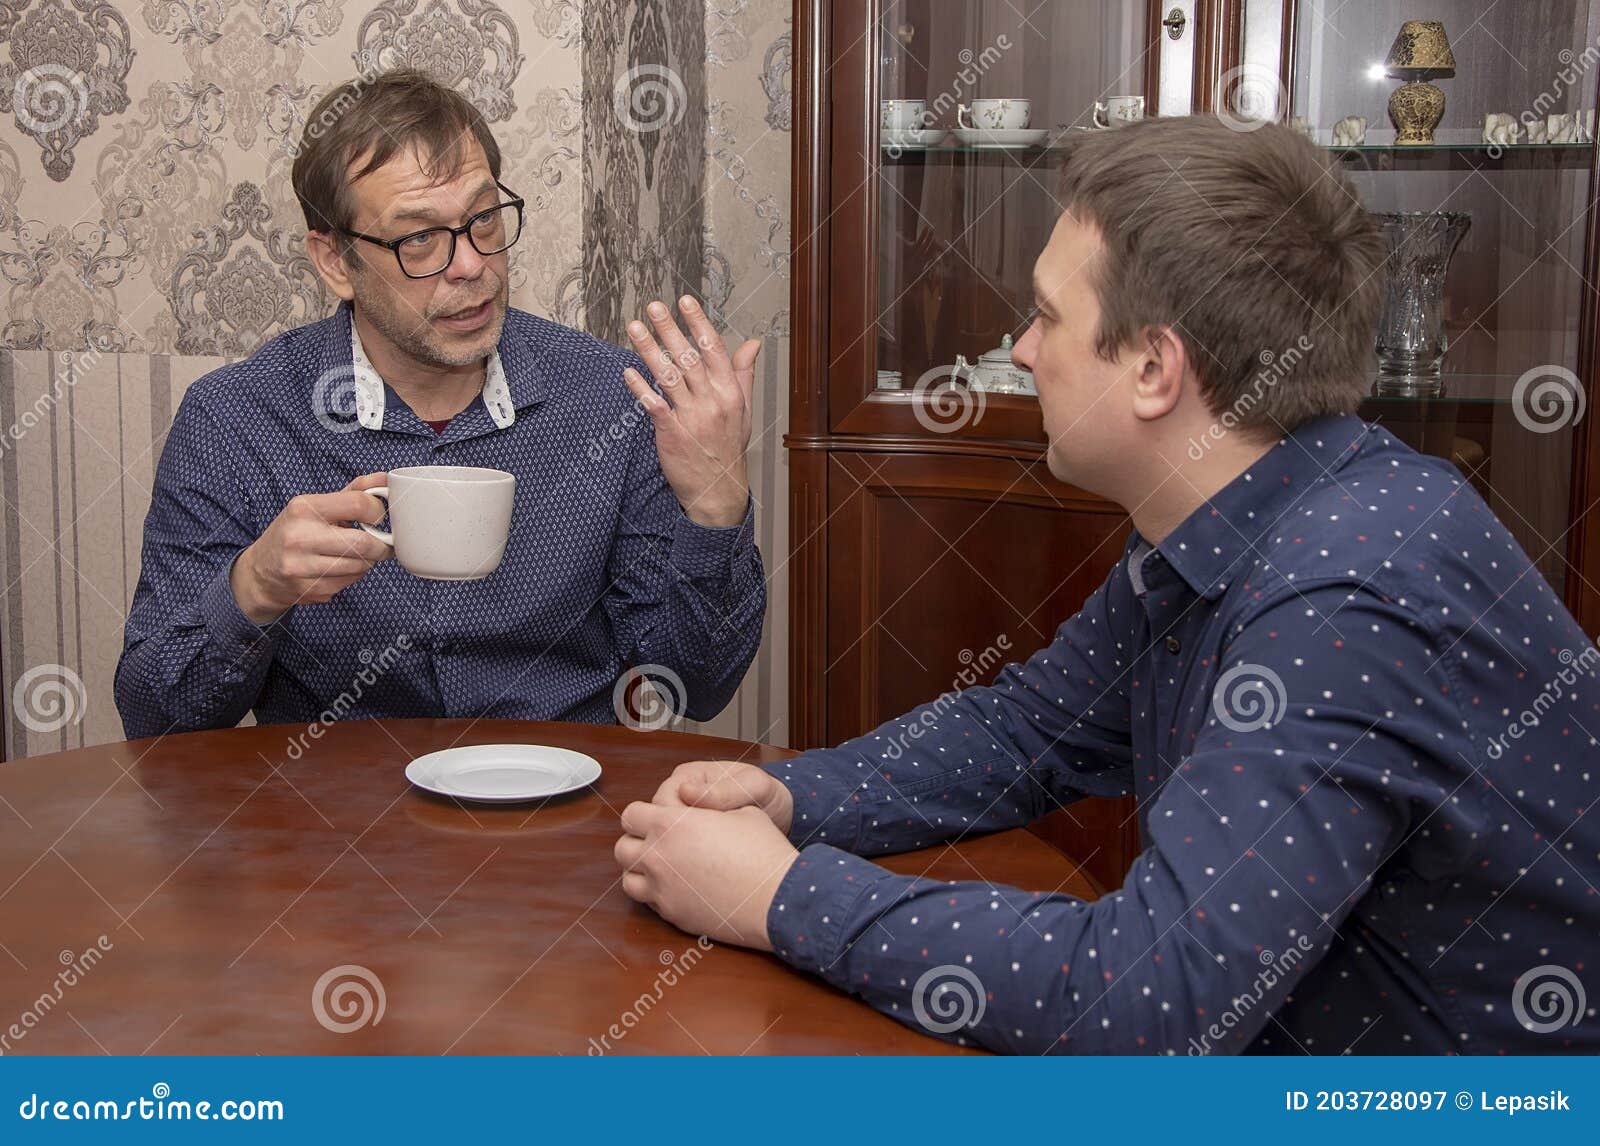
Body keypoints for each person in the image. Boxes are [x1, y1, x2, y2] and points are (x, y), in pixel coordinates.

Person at [613, 115, 1600, 1055]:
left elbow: (1149, 1005)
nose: (1024, 349)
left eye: (1046, 315)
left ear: (1153, 369)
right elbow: (1029, 732)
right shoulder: (1242, 513)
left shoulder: (1349, 594)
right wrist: (789, 795)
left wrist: (781, 898)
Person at [116, 70, 764, 738]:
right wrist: (252, 589)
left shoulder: (616, 400)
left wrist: (716, 507)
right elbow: (156, 722)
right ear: (335, 260)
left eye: (483, 219)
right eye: (419, 237)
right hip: (328, 821)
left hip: (561, 812)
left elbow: (696, 684)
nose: (471, 265)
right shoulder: (235, 419)